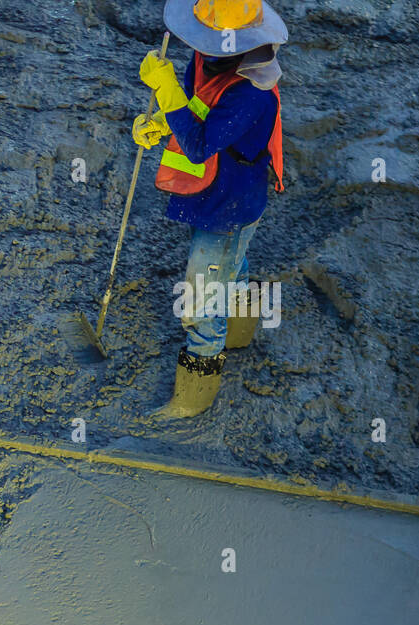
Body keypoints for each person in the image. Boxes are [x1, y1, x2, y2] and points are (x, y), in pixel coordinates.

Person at [132, 0, 287, 417]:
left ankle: (192, 397)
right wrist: (162, 122)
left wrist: (166, 93)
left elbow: (199, 145)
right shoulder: (211, 57)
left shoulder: (252, 94)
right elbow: (197, 108)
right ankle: (239, 332)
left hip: (230, 204)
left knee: (201, 297)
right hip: (218, 194)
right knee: (230, 265)